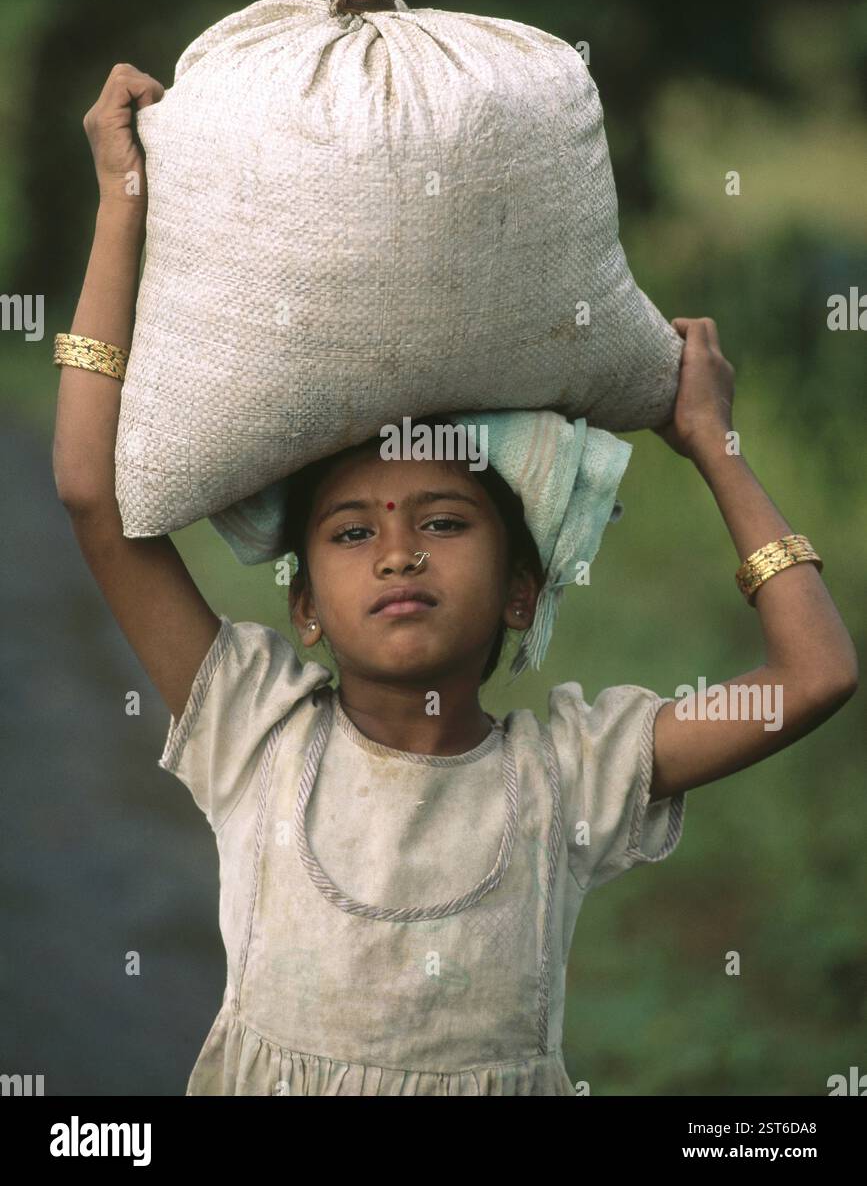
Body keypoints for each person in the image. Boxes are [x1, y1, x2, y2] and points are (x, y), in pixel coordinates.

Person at [52, 64, 858, 1096]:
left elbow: (816, 673)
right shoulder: (253, 729)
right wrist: (123, 202)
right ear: (302, 606)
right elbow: (91, 494)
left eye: (443, 521)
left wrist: (712, 442)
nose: (398, 552)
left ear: (523, 589)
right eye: (349, 533)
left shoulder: (574, 774)